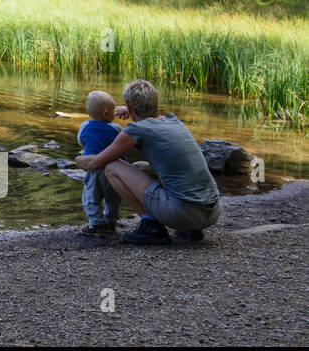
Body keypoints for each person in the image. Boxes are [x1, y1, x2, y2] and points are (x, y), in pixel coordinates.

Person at [75, 79, 220, 245]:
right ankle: (192, 230)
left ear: (130, 108)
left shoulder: (136, 130)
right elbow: (149, 120)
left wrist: (78, 159)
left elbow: (95, 164)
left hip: (184, 215)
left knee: (112, 167)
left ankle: (151, 226)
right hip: (212, 211)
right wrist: (127, 109)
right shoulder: (174, 121)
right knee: (168, 168)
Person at [75, 90, 123, 235]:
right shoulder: (117, 128)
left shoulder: (85, 126)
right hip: (114, 169)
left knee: (90, 197)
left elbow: (81, 142)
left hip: (94, 168)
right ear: (106, 113)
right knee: (113, 197)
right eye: (114, 110)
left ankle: (96, 223)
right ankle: (110, 220)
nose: (115, 113)